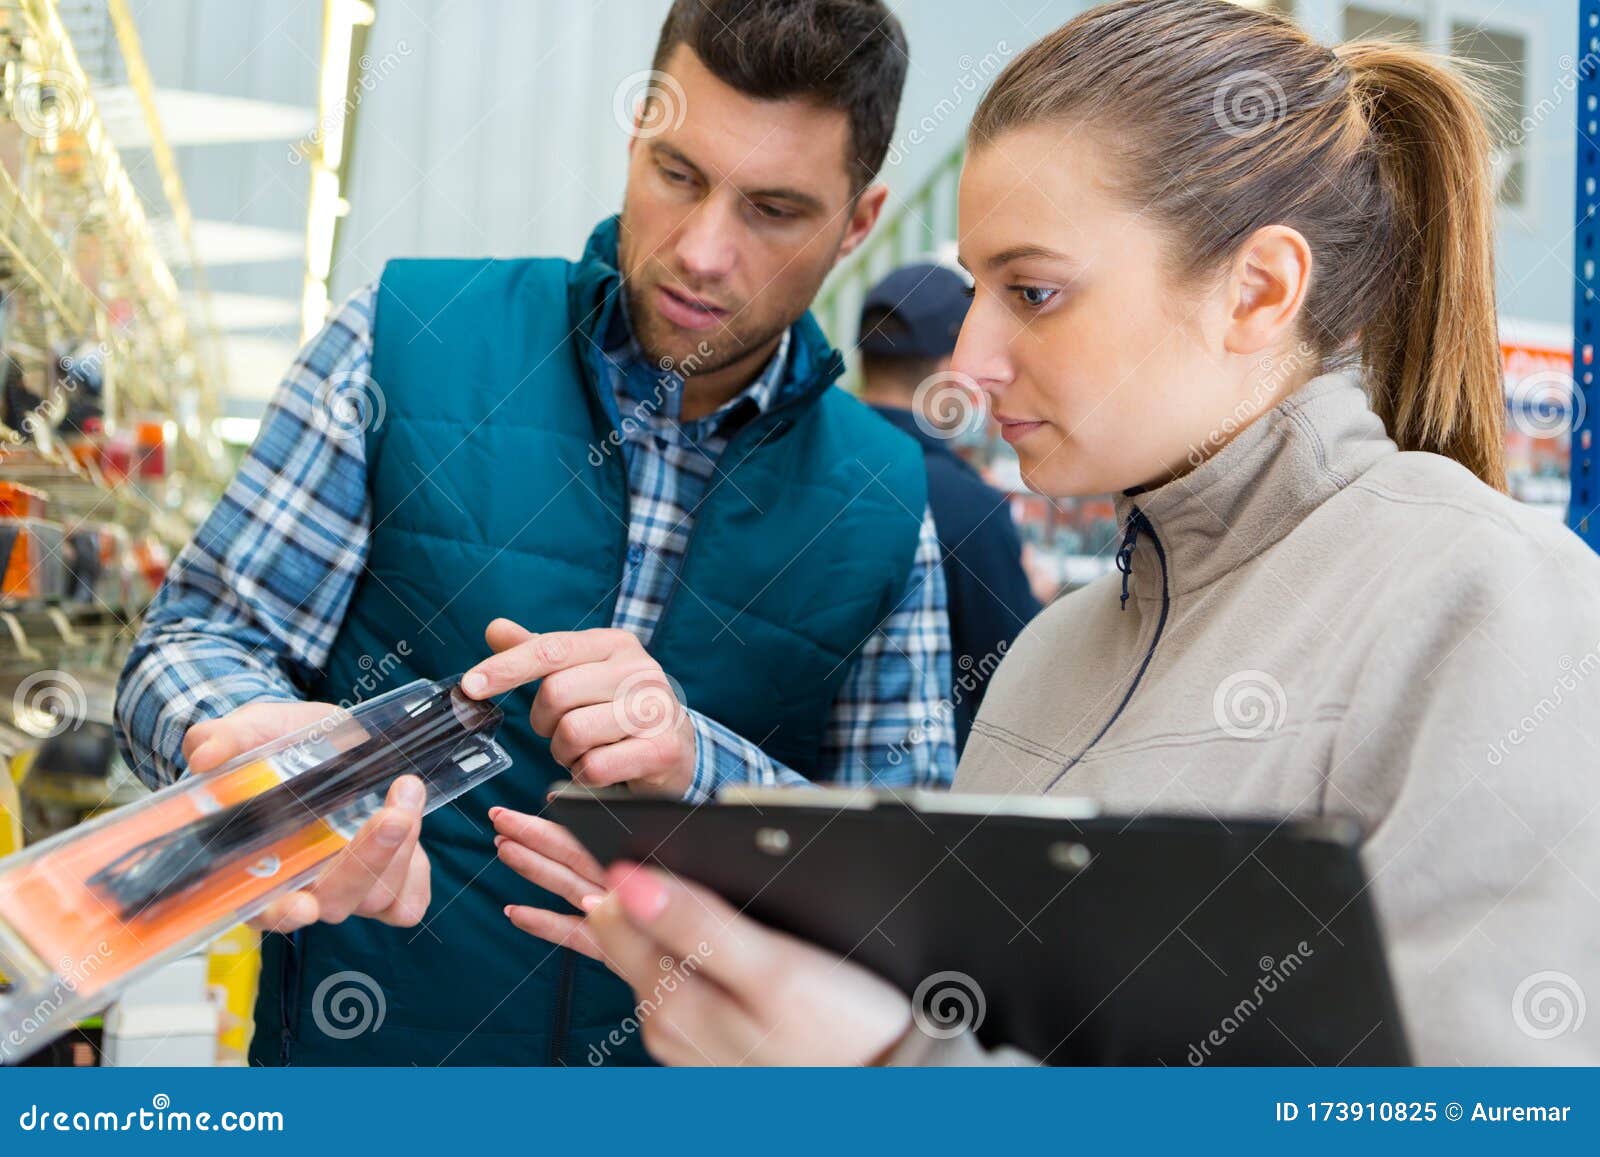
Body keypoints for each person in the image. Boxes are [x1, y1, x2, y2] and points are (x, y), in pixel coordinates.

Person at [492, 0, 1600, 1066]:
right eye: (978, 286)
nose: (967, 362)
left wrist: (893, 1071)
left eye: (1032, 291)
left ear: (1257, 290)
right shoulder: (1046, 661)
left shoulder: (1491, 602)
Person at [113, 0, 956, 1066]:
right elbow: (190, 642)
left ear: (860, 219)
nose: (703, 251)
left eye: (775, 210)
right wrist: (246, 743)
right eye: (678, 173)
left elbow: (909, 867)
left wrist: (701, 767)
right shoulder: (406, 338)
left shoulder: (882, 497)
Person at [857, 264, 1040, 751]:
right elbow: (1018, 681)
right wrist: (1036, 599)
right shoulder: (965, 503)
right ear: (945, 378)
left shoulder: (803, 461)